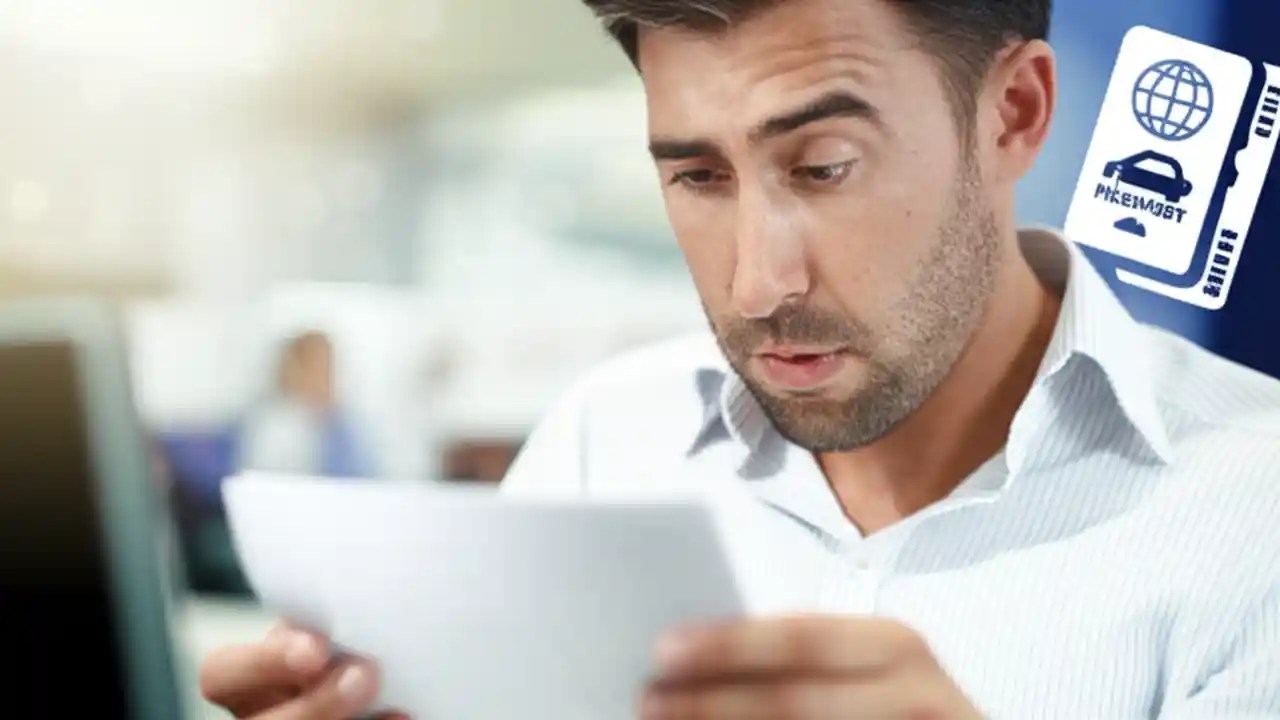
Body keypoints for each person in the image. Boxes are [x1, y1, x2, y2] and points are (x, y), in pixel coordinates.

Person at [200, 0, 1280, 717]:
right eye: (697, 179)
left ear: (1013, 113)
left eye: (821, 167)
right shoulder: (599, 443)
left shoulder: (1249, 512)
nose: (755, 284)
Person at [237, 331, 373, 479]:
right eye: (315, 367)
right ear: (294, 370)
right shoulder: (273, 424)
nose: (325, 377)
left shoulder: (346, 427)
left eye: (328, 367)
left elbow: (366, 478)